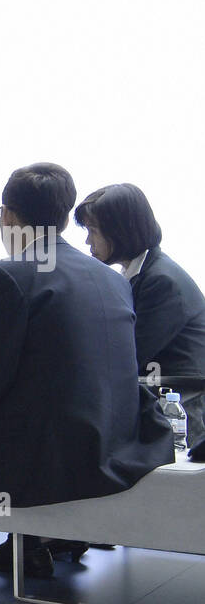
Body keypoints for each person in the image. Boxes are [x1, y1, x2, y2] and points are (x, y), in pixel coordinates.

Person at [0, 163, 174, 589]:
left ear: (10, 216)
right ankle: (25, 546)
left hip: (54, 453)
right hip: (117, 441)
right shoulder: (109, 277)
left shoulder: (7, 274)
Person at [76, 183, 205, 447]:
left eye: (93, 230)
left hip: (180, 414)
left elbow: (128, 356)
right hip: (155, 401)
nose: (88, 240)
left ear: (120, 231)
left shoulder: (162, 281)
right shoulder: (139, 274)